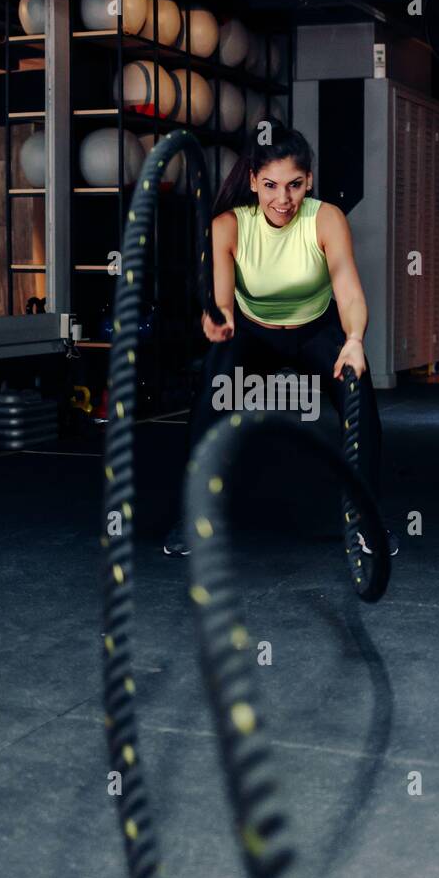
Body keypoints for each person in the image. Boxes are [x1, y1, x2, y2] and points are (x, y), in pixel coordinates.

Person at [163, 125, 397, 556]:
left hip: (315, 330)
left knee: (358, 395)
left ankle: (365, 519)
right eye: (270, 185)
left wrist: (355, 338)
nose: (282, 199)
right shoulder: (228, 226)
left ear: (308, 181)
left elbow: (347, 287)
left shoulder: (325, 218)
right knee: (209, 399)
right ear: (253, 181)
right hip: (251, 331)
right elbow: (221, 299)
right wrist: (219, 320)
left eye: (294, 185)